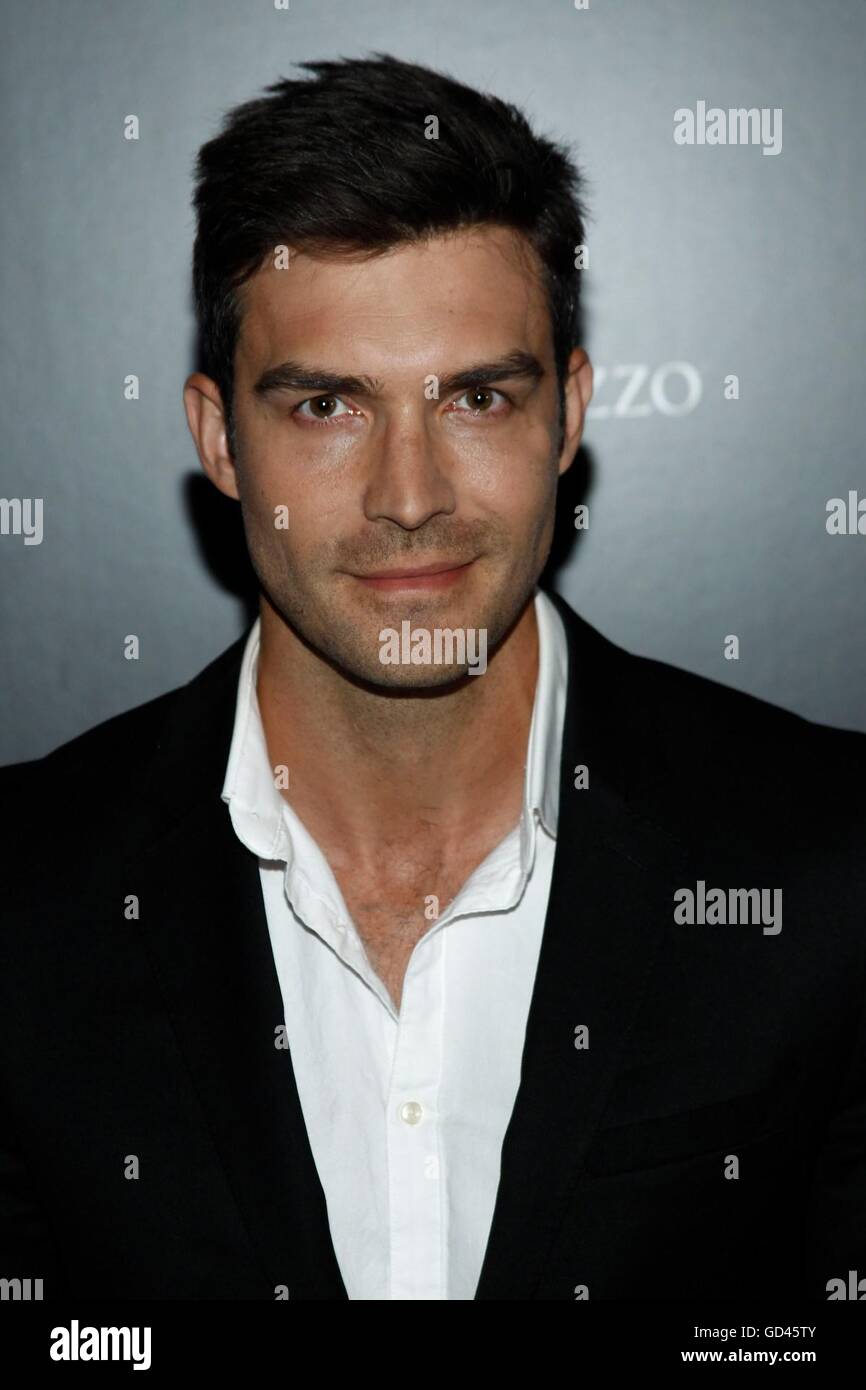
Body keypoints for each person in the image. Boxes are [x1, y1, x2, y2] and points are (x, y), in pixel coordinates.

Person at [1, 52, 864, 1303]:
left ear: (564, 416)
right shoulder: (27, 903)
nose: (410, 497)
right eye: (325, 407)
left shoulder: (823, 864)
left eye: (473, 396)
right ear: (216, 436)